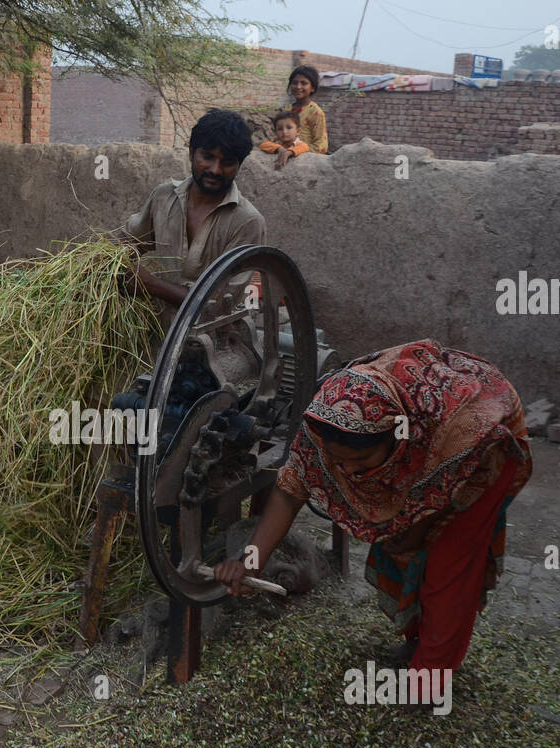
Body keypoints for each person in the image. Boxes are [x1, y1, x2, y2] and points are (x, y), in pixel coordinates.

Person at [215, 340, 532, 685]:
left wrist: (411, 532)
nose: (348, 473)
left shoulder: (452, 434)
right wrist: (250, 562)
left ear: (396, 438)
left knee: (447, 567)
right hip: (421, 442)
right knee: (399, 546)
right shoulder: (323, 426)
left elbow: (422, 513)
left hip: (484, 448)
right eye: (338, 461)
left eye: (361, 461)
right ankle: (418, 642)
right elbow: (290, 492)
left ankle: (429, 683)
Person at [122, 108, 266, 329]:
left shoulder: (247, 221)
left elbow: (218, 306)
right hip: (155, 336)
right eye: (207, 157)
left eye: (227, 162)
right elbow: (126, 243)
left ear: (239, 165)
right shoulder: (163, 197)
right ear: (191, 153)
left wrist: (151, 284)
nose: (215, 170)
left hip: (213, 348)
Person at [287, 65, 328, 155]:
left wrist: (294, 152)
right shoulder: (286, 110)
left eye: (304, 83)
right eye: (294, 82)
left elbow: (321, 146)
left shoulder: (315, 112)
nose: (298, 87)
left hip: (304, 162)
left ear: (312, 88)